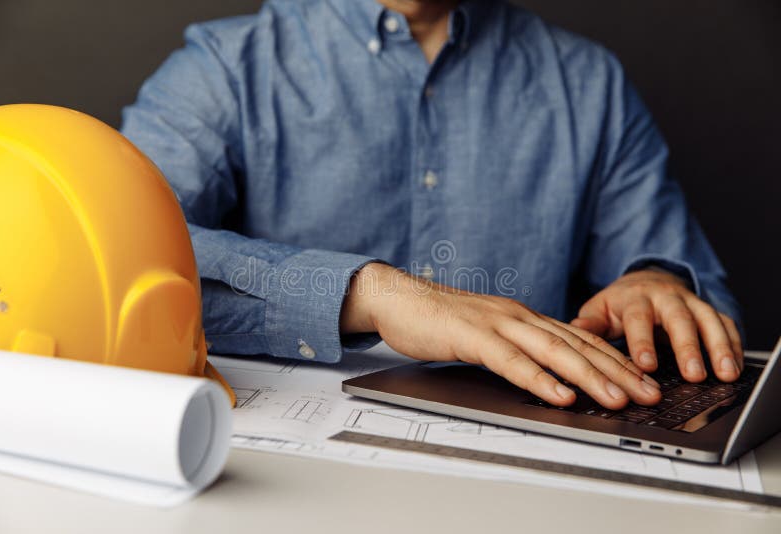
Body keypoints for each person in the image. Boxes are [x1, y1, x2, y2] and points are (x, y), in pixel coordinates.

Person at [121, 0, 743, 410]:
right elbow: (121, 252)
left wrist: (656, 285)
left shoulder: (590, 84)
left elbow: (702, 294)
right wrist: (373, 295)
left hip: (532, 471)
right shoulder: (225, 68)